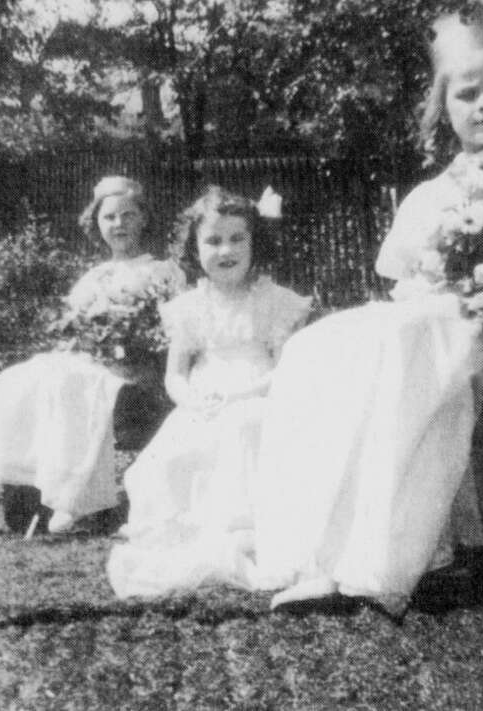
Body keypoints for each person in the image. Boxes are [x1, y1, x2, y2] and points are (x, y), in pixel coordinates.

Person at [253, 9, 483, 617]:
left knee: (406, 348)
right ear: (443, 107)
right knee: (316, 346)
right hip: (439, 316)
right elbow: (410, 284)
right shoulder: (433, 193)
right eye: (467, 94)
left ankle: (387, 565)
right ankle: (324, 554)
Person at [106, 187, 311, 598]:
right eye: (213, 241)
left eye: (237, 239)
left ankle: (251, 540)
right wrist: (190, 400)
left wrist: (245, 394)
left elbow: (288, 369)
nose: (226, 250)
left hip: (263, 393)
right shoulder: (190, 307)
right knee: (171, 458)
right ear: (194, 248)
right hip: (204, 400)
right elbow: (175, 375)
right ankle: (195, 540)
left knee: (245, 431)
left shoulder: (274, 301)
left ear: (255, 243)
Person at [0, 176, 186, 534]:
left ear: (144, 218)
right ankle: (27, 487)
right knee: (16, 379)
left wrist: (135, 338)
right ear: (97, 223)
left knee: (71, 380)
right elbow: (72, 327)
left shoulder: (162, 271)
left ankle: (74, 500)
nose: (119, 224)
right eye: (109, 217)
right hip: (91, 363)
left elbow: (177, 333)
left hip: (138, 374)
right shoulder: (92, 277)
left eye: (128, 215)